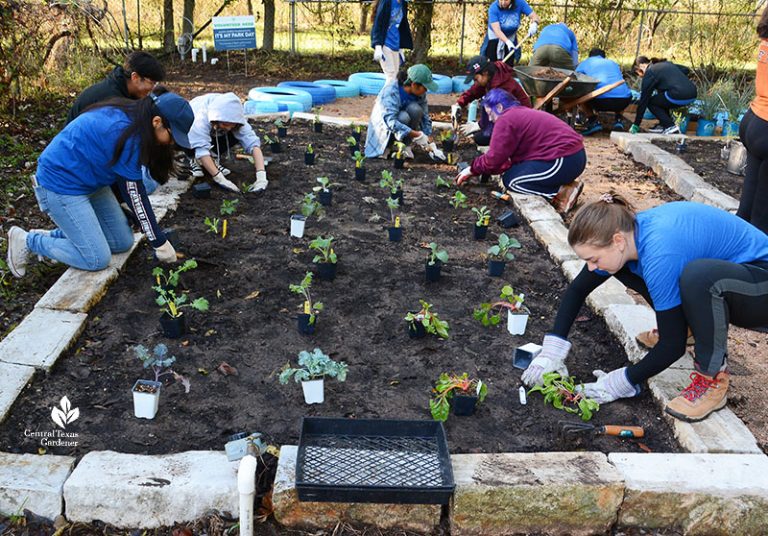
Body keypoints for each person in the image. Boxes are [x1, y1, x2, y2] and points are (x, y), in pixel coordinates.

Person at [521, 194, 768, 422]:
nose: (592, 267)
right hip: (736, 278)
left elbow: (671, 347)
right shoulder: (627, 234)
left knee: (699, 278)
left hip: (760, 285)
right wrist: (552, 351)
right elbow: (577, 290)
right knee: (624, 268)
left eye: (593, 259)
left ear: (617, 240)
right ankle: (690, 325)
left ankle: (712, 378)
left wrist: (620, 382)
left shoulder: (659, 253)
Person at [6, 92, 193, 276]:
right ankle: (28, 241)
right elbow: (134, 193)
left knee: (122, 242)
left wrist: (136, 218)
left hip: (90, 181)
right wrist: (158, 241)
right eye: (173, 135)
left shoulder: (137, 121)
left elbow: (122, 180)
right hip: (61, 184)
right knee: (96, 258)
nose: (173, 142)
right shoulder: (127, 132)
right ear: (157, 122)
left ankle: (58, 237)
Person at [455, 88, 585, 214]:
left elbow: (494, 158)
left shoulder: (505, 119)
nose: (490, 119)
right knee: (512, 173)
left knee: (513, 182)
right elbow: (504, 158)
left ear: (499, 108)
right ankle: (561, 184)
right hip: (566, 156)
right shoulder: (517, 113)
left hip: (564, 158)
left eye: (490, 114)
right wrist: (485, 169)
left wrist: (472, 169)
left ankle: (562, 192)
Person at [67, 51, 167, 194]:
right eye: (151, 83)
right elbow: (118, 144)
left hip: (100, 155)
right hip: (82, 163)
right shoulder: (111, 100)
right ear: (135, 77)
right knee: (148, 184)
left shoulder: (126, 91)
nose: (152, 88)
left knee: (149, 178)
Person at [187, 92, 267, 193]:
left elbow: (253, 143)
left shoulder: (236, 116)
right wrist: (219, 178)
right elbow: (201, 148)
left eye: (232, 125)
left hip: (214, 127)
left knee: (236, 135)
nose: (229, 128)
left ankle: (212, 158)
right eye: (225, 124)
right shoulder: (200, 118)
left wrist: (261, 177)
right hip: (187, 129)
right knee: (195, 142)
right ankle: (193, 158)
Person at [364, 64, 446, 161]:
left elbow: (424, 116)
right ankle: (387, 147)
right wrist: (417, 135)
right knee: (403, 117)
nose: (426, 91)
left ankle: (405, 146)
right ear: (414, 85)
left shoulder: (420, 95)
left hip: (400, 125)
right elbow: (390, 122)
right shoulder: (391, 92)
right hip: (383, 130)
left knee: (416, 110)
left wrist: (429, 140)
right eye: (425, 88)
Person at [452, 55, 532, 147]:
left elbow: (503, 115)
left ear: (485, 73)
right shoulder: (490, 77)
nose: (475, 82)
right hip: (503, 117)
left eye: (476, 79)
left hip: (519, 123)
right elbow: (474, 91)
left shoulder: (503, 87)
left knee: (482, 138)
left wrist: (479, 125)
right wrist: (459, 103)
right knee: (481, 135)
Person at [737, 8, 768, 234]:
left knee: (747, 207)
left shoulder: (765, 42)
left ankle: (734, 254)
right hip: (766, 127)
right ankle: (754, 267)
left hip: (754, 120)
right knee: (762, 216)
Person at [630, 56, 696, 135]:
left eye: (638, 73)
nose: (640, 76)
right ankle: (663, 124)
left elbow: (644, 100)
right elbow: (686, 69)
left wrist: (636, 124)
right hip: (693, 93)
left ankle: (670, 126)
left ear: (641, 66)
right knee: (661, 98)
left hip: (678, 95)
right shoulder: (665, 64)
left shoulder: (650, 72)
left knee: (651, 102)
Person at [574, 48, 631, 135]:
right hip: (623, 101)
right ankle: (618, 121)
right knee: (621, 91)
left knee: (579, 95)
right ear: (604, 57)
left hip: (600, 100)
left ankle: (593, 121)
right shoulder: (613, 63)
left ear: (590, 56)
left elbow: (575, 78)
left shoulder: (585, 62)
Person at [480, 0, 539, 66]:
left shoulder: (520, 3)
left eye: (506, 0)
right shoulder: (493, 8)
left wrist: (535, 23)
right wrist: (507, 42)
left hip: (510, 34)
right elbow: (497, 30)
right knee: (489, 59)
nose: (503, 2)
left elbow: (534, 16)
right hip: (495, 34)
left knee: (510, 59)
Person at [370, 0, 413, 84]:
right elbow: (378, 23)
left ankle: (382, 97)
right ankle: (386, 97)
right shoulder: (386, 2)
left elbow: (402, 26)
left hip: (395, 44)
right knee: (391, 76)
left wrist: (401, 48)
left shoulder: (403, 4)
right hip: (385, 44)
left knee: (395, 76)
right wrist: (378, 46)